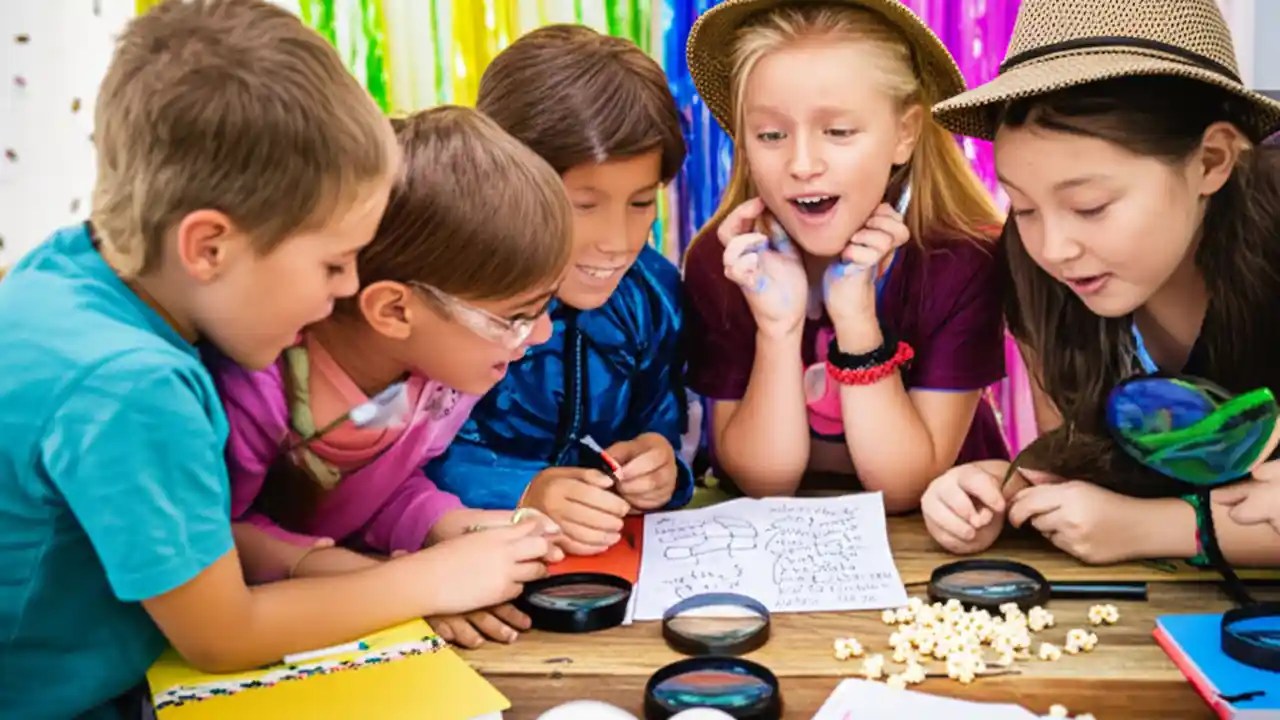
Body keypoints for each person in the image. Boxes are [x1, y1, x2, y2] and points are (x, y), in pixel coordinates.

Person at [0, 3, 544, 717]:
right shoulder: (132, 386)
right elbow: (222, 637)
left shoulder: (73, 268)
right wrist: (429, 582)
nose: (348, 289)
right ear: (208, 248)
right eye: (333, 263)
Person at [922, 0, 1280, 568]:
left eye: (1089, 207)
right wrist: (1005, 489)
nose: (1053, 250)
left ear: (1211, 161)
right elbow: (1079, 461)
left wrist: (1155, 528)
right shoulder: (1029, 263)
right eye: (1023, 206)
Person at [210, 106, 573, 649]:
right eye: (517, 317)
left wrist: (450, 527)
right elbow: (216, 541)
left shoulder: (437, 370)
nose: (541, 334)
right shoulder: (257, 386)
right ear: (395, 311)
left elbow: (383, 487)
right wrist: (408, 586)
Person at [681, 0, 1007, 512]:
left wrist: (857, 322)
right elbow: (766, 482)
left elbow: (902, 489)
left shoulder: (961, 261)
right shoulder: (721, 262)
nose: (803, 163)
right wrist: (778, 329)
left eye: (838, 132)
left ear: (905, 134)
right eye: (771, 135)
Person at [430, 25, 694, 557]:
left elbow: (660, 420)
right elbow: (406, 461)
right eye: (583, 205)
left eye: (641, 203)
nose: (618, 243)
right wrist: (525, 491)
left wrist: (661, 462)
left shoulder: (654, 296)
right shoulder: (451, 301)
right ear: (501, 179)